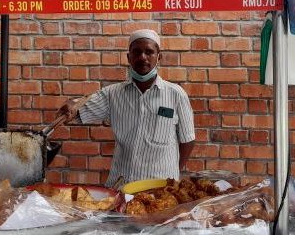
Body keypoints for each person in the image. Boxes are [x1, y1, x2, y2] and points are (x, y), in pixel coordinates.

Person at [57, 29, 195, 187]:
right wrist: (70, 104)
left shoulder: (176, 95)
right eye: (137, 52)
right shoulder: (112, 94)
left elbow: (188, 141)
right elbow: (77, 109)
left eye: (149, 52)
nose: (142, 57)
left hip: (160, 188)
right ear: (129, 57)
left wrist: (173, 172)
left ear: (159, 56)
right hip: (121, 186)